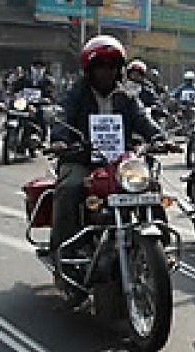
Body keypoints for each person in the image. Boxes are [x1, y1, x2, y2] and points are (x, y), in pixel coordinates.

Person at [45, 35, 167, 260]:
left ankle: (160, 248)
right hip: (81, 158)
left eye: (111, 66)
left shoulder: (127, 97)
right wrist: (59, 140)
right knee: (69, 188)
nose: (106, 72)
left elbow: (142, 119)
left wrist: (159, 137)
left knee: (150, 186)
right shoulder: (76, 94)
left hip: (120, 162)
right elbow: (61, 115)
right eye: (100, 66)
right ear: (89, 70)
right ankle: (64, 252)